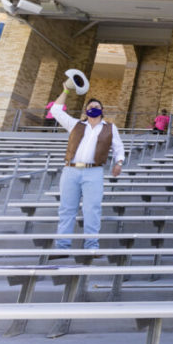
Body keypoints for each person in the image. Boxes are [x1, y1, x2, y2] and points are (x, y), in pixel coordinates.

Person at [49, 86, 124, 256]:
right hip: (71, 170)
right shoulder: (76, 124)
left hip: (94, 171)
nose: (93, 109)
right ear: (86, 110)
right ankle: (62, 247)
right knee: (67, 208)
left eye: (97, 107)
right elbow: (55, 110)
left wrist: (118, 162)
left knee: (92, 208)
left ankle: (91, 246)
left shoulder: (110, 128)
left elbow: (118, 147)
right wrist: (66, 91)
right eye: (90, 107)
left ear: (102, 110)